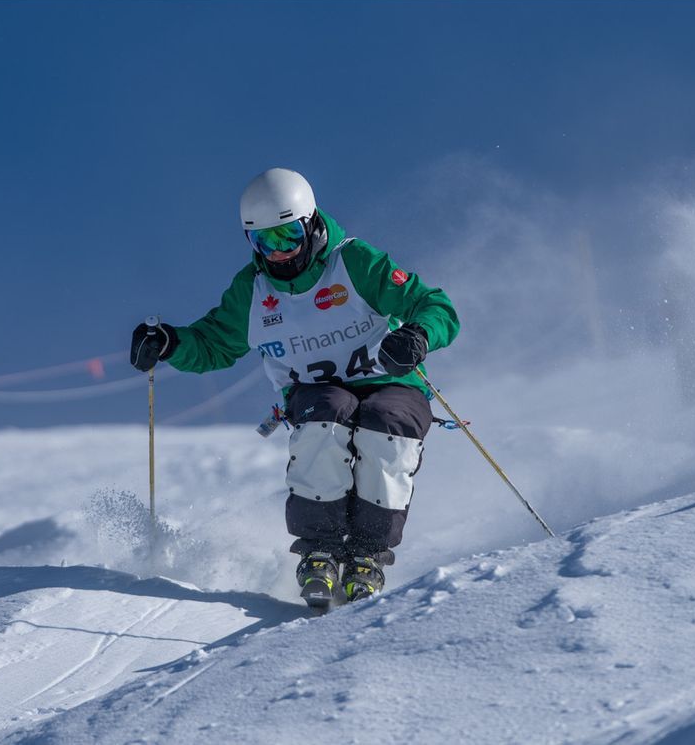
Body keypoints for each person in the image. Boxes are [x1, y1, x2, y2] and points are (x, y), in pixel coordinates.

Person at [130, 168, 459, 609]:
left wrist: (419, 335)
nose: (279, 252)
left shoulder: (354, 263)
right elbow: (213, 344)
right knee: (327, 415)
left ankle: (366, 553)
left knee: (388, 422)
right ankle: (319, 550)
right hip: (317, 394)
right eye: (264, 242)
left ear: (312, 225)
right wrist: (170, 343)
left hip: (389, 380)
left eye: (287, 236)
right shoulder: (255, 289)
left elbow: (433, 304)